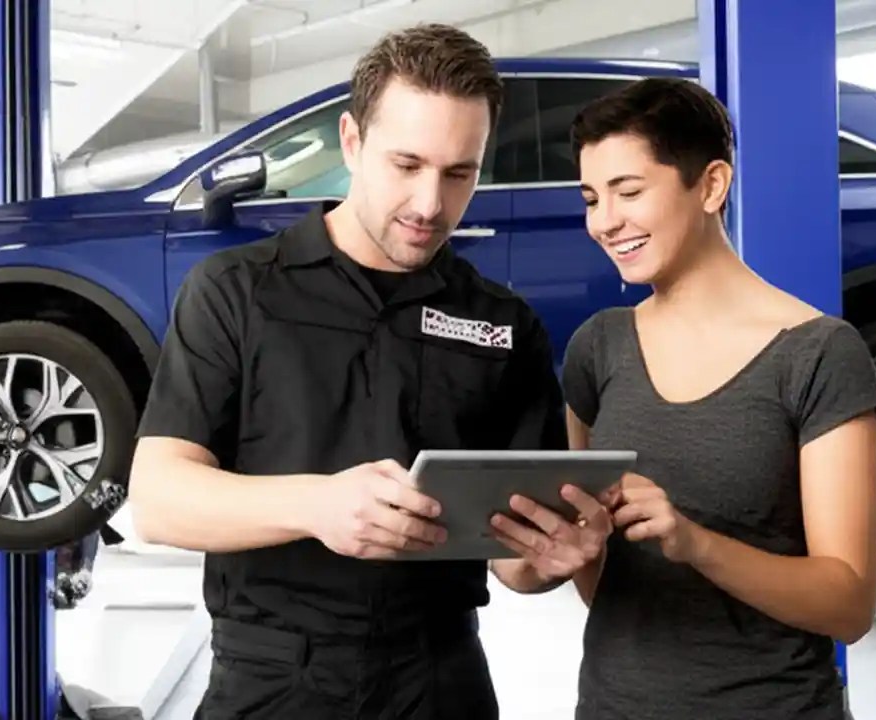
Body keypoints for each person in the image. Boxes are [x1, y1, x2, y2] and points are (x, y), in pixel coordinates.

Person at [127, 23, 611, 720]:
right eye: (406, 164)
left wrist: (558, 553)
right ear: (351, 143)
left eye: (458, 174)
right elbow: (160, 500)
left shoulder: (504, 324)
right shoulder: (237, 291)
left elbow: (515, 563)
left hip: (441, 678)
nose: (428, 204)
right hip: (275, 680)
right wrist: (315, 505)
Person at [560, 77, 876, 719]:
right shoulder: (596, 348)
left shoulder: (818, 353)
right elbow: (598, 574)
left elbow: (849, 606)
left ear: (711, 185)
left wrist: (693, 541)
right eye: (592, 198)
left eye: (628, 192)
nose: (604, 221)